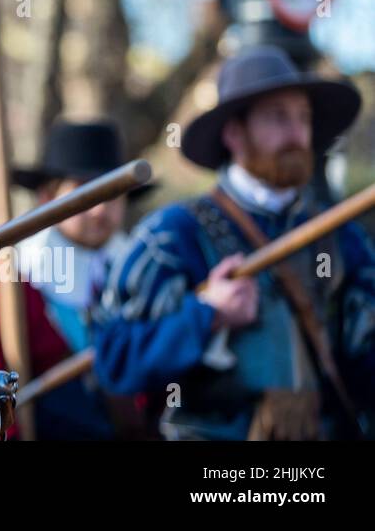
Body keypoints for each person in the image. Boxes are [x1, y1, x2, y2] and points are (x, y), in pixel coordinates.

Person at [94, 46, 375, 440]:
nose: (296, 133)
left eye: (303, 117)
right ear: (233, 133)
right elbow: (115, 359)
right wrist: (207, 313)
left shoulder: (341, 234)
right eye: (278, 117)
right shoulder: (174, 235)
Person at [0, 119, 152, 439]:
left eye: (113, 193)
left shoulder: (142, 277)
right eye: (87, 192)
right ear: (48, 196)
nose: (101, 210)